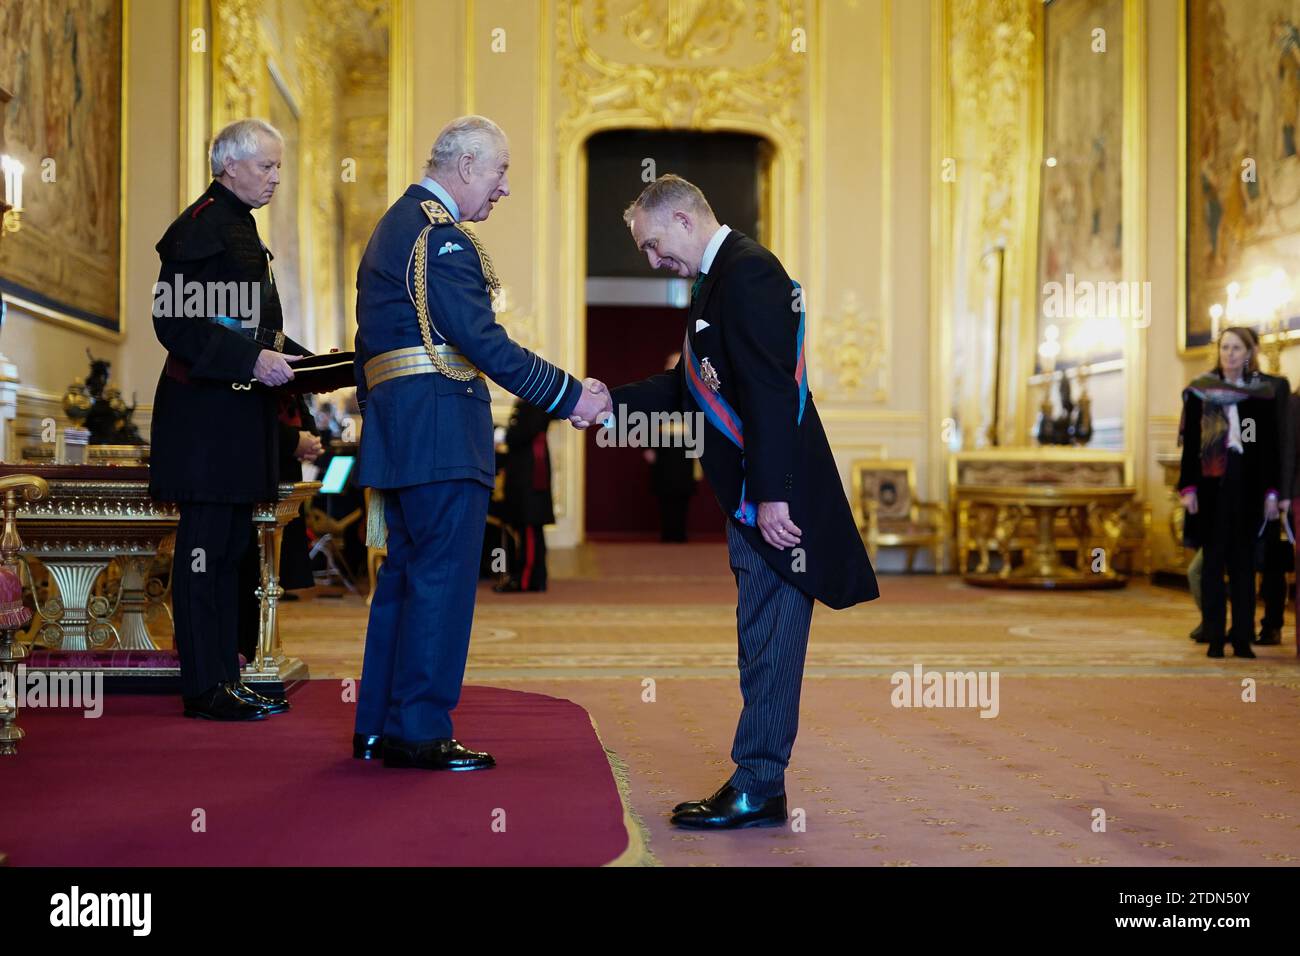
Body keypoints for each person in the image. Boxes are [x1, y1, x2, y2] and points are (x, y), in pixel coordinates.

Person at [610, 174, 880, 829]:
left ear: (680, 218)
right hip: (755, 503)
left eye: (651, 245)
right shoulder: (717, 279)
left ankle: (759, 785)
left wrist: (772, 499)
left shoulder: (749, 272)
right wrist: (606, 400)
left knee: (773, 641)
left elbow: (768, 392)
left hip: (776, 508)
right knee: (760, 640)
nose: (651, 261)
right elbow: (689, 388)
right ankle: (762, 782)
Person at [351, 115, 611, 770]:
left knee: (404, 581)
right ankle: (422, 731)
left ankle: (380, 726)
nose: (504, 189)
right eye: (500, 173)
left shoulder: (394, 227)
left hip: (401, 432)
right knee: (439, 583)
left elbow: (367, 353)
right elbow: (481, 341)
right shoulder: (442, 239)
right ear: (466, 166)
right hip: (440, 432)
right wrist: (570, 395)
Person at [149, 118, 303, 721]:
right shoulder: (200, 229)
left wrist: (298, 362)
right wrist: (252, 358)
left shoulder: (236, 224)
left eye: (278, 167)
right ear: (229, 166)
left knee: (232, 548)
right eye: (266, 166)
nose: (274, 177)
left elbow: (248, 325)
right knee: (204, 554)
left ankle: (227, 675)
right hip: (206, 421)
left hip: (235, 416)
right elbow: (176, 327)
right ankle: (205, 686)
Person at [1178, 326, 1279, 659]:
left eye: (1237, 348)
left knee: (1243, 565)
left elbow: (1263, 448)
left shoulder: (1258, 394)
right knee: (1212, 564)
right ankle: (1215, 636)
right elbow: (1192, 443)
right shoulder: (1201, 391)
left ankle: (1241, 637)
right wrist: (1188, 487)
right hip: (1210, 487)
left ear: (1248, 353)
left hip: (1246, 486)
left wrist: (1271, 492)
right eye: (1225, 348)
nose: (1230, 354)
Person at [494, 399, 555, 593]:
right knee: (528, 530)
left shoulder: (534, 403)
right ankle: (533, 577)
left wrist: (499, 433)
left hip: (529, 479)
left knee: (529, 529)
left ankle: (527, 580)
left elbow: (520, 435)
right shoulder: (531, 403)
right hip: (526, 476)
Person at [645, 351, 698, 542]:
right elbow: (650, 418)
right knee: (665, 491)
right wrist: (649, 446)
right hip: (664, 449)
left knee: (683, 492)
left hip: (685, 449)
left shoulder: (693, 389)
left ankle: (680, 533)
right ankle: (667, 533)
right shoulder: (659, 388)